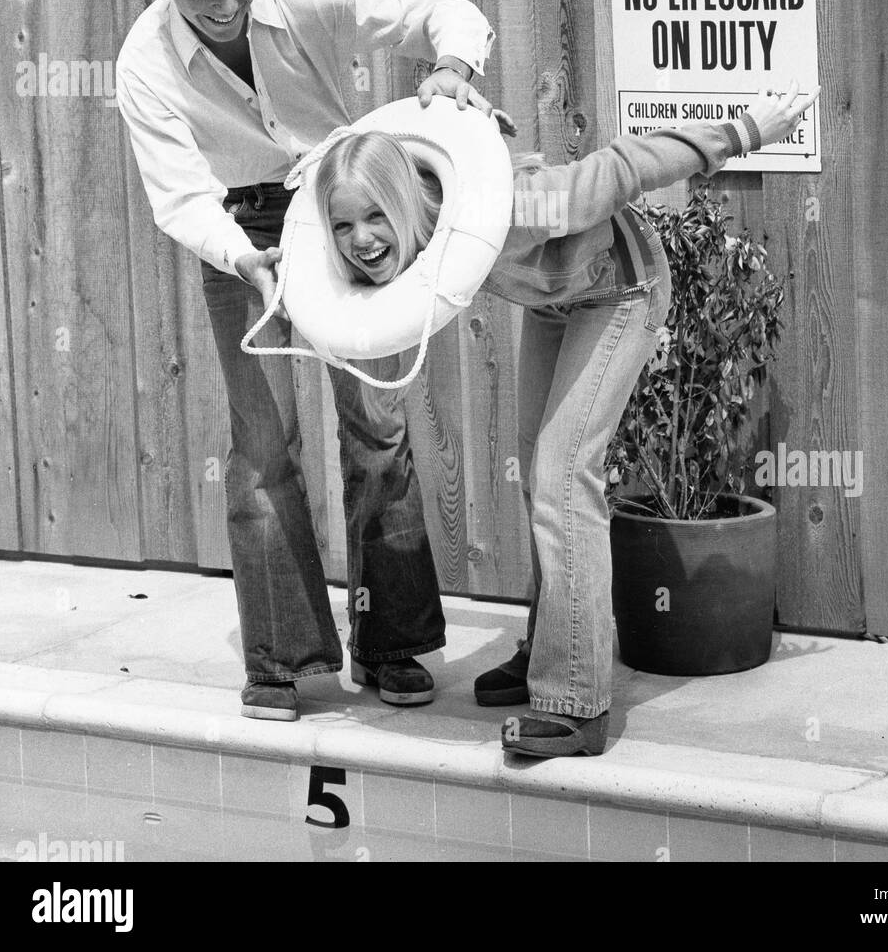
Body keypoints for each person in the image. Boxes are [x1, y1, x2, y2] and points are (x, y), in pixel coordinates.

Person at [312, 80, 820, 756]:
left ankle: (576, 701)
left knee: (562, 478)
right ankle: (551, 645)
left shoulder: (506, 208)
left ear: (402, 201)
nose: (360, 239)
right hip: (555, 302)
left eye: (373, 216)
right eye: (342, 225)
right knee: (537, 480)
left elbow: (620, 169)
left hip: (621, 289)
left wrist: (740, 131)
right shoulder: (409, 243)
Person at [115, 0, 511, 722]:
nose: (223, 5)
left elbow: (445, 13)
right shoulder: (143, 62)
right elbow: (179, 197)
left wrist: (448, 68)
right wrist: (244, 260)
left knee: (379, 430)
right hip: (239, 233)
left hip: (344, 213)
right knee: (263, 448)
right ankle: (283, 661)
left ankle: (393, 644)